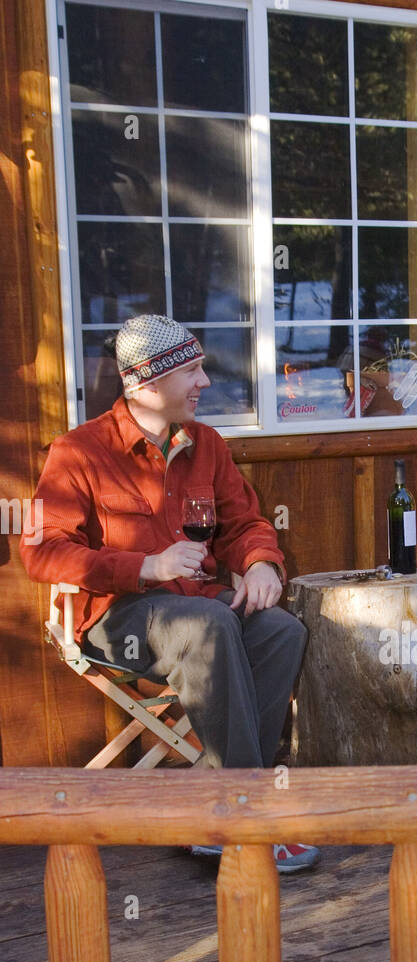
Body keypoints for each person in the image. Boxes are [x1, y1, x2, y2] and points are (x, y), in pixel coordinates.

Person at [21, 313, 319, 873]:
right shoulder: (78, 452)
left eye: (202, 366)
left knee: (280, 629)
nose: (205, 381)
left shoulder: (204, 444)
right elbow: (41, 552)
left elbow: (245, 524)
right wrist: (144, 565)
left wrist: (260, 564)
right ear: (146, 383)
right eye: (191, 370)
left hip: (201, 606)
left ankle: (206, 812)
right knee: (210, 628)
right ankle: (249, 821)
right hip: (118, 619)